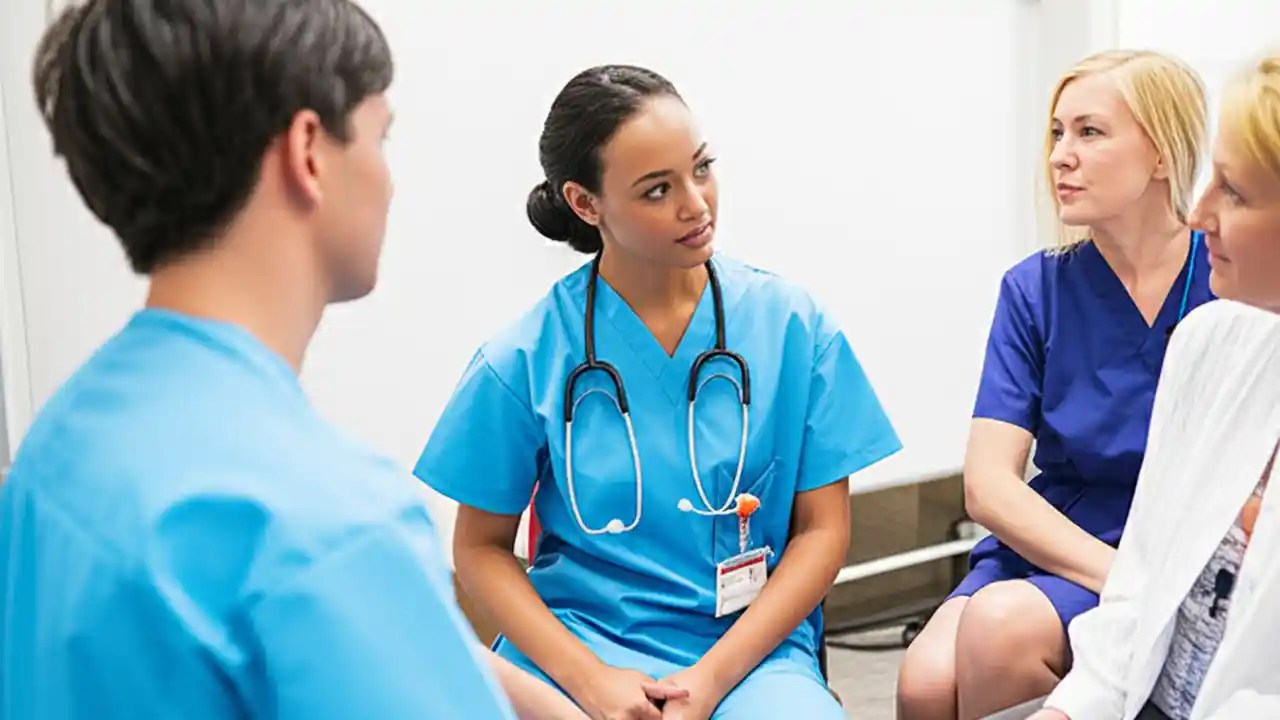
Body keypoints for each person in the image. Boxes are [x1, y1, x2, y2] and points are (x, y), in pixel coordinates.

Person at [0, 2, 584, 719]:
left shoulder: (58, 445)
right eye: (379, 136)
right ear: (308, 151)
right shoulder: (331, 520)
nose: (389, 181)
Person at [413, 64, 902, 720]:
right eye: (657, 190)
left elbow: (822, 530)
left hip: (747, 650)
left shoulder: (792, 328)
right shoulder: (527, 357)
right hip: (578, 646)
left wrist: (711, 680)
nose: (695, 205)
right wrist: (591, 682)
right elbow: (479, 549)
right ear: (586, 204)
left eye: (702, 169)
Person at [896, 49, 1213, 719]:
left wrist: (1151, 581)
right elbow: (989, 485)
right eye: (1057, 133)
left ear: (1162, 155)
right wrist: (1121, 580)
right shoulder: (1035, 289)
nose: (1060, 157)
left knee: (999, 632)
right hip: (1061, 539)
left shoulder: (1228, 276)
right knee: (923, 683)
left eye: (1090, 133)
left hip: (1178, 548)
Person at [1033, 48, 1280, 720]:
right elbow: (1140, 585)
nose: (1198, 213)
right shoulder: (1211, 341)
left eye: (1234, 191)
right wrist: (1069, 710)